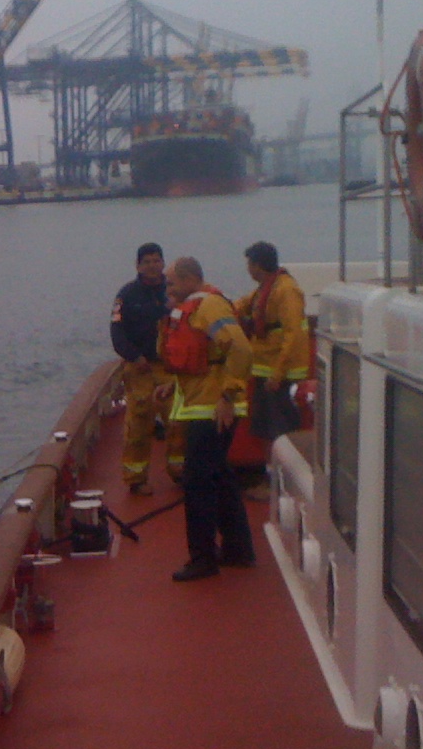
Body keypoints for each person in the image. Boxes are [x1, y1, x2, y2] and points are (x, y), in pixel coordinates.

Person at [156, 257, 255, 582]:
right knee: (220, 477)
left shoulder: (209, 307)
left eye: (171, 283)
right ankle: (238, 550)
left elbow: (240, 349)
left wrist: (228, 397)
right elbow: (202, 357)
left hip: (212, 409)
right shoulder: (192, 309)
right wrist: (173, 383)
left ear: (187, 280)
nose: (167, 289)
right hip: (200, 404)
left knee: (198, 482)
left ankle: (203, 558)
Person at [236, 241, 310, 499]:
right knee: (267, 429)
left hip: (281, 375)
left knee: (280, 431)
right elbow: (241, 306)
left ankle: (282, 486)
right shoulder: (263, 291)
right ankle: (273, 481)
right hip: (266, 371)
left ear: (257, 265)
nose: (248, 268)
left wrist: (278, 373)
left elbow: (293, 334)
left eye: (249, 263)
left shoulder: (286, 291)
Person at [109, 241, 172, 495]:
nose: (152, 265)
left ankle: (181, 471)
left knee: (177, 420)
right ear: (138, 265)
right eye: (146, 261)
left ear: (163, 263)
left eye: (157, 260)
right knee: (139, 420)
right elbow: (116, 332)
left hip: (170, 368)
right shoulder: (125, 296)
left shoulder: (174, 290)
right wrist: (134, 356)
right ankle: (135, 478)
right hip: (139, 368)